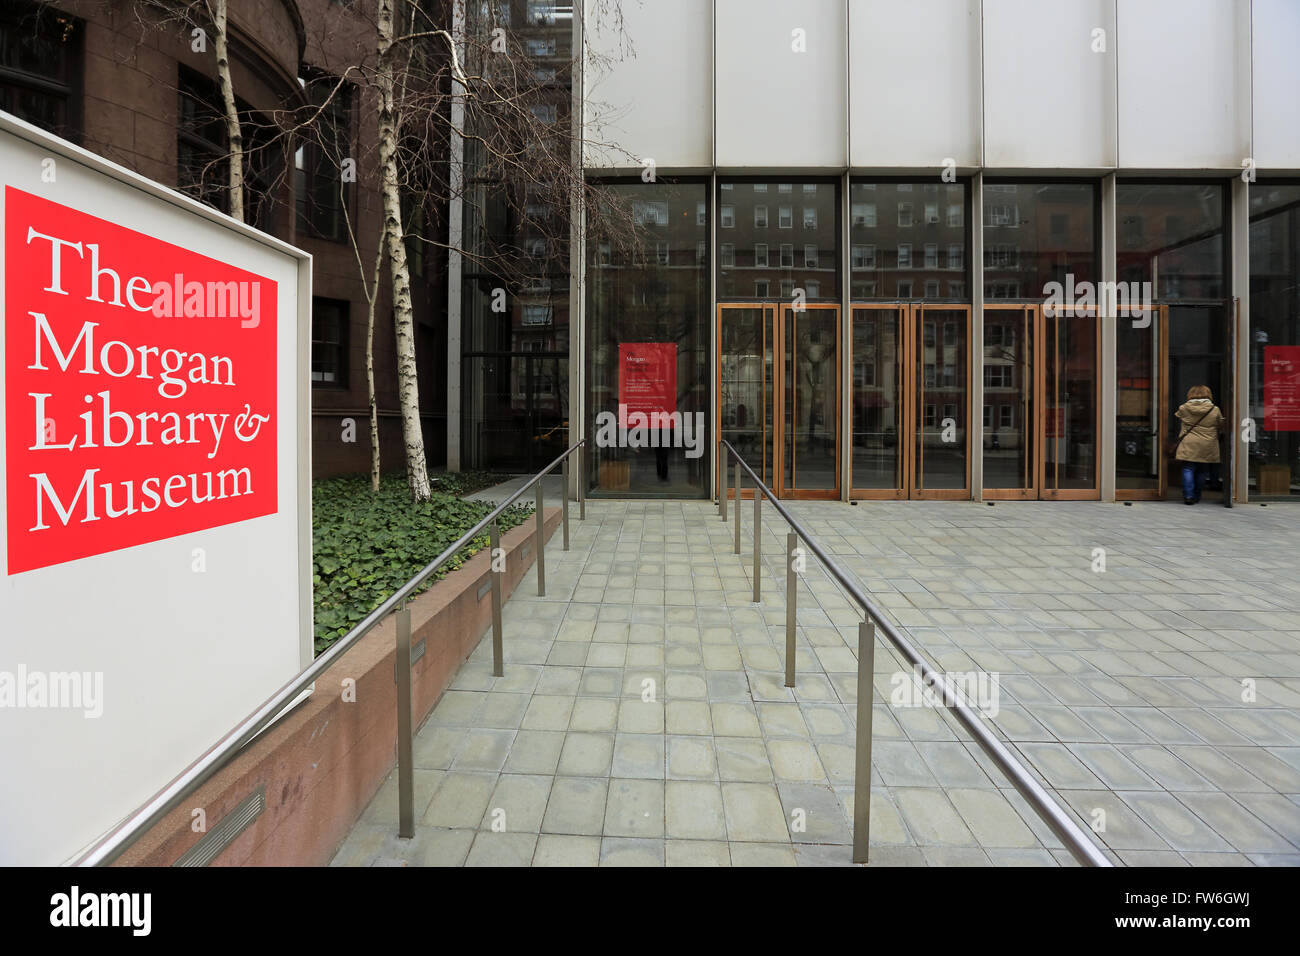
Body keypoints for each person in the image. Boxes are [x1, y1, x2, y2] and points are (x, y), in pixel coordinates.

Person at [1173, 385, 1226, 505]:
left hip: (1189, 442)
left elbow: (1178, 417)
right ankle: (1197, 495)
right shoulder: (1214, 409)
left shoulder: (1184, 408)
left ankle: (1188, 496)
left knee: (1188, 468)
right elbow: (1220, 424)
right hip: (1207, 443)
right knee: (1202, 471)